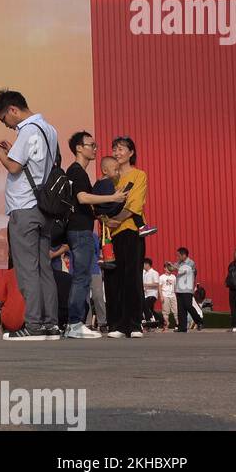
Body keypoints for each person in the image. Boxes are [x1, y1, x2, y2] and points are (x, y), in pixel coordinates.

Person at [0, 89, 60, 341]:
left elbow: (14, 166)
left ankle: (34, 325)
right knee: (44, 269)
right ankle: (51, 323)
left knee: (27, 269)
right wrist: (11, 148)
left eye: (4, 118)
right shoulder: (49, 129)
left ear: (13, 110)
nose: (6, 124)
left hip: (25, 206)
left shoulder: (27, 130)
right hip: (44, 207)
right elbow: (39, 161)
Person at [63, 131, 125, 339]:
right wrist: (112, 197)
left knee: (81, 277)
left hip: (80, 230)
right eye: (92, 145)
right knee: (81, 277)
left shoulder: (78, 172)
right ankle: (74, 323)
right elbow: (82, 198)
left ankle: (75, 323)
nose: (95, 149)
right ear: (79, 148)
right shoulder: (77, 171)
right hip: (80, 232)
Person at [100, 137, 149, 339]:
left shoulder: (139, 175)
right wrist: (105, 219)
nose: (117, 152)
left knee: (132, 277)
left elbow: (134, 204)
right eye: (114, 149)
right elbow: (100, 204)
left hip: (130, 231)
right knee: (113, 280)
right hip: (111, 236)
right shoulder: (109, 179)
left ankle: (134, 323)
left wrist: (116, 221)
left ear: (131, 153)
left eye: (121, 149)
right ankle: (117, 324)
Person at [173, 247, 202, 332]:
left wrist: (174, 267)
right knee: (181, 309)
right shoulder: (179, 262)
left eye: (178, 256)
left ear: (184, 255)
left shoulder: (190, 263)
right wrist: (169, 265)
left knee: (188, 306)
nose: (177, 258)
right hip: (179, 289)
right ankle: (182, 327)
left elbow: (183, 271)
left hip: (187, 288)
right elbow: (172, 269)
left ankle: (199, 321)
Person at [141, 258, 161, 328]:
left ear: (147, 264)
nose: (142, 266)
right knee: (151, 310)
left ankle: (148, 321)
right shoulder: (143, 273)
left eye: (143, 264)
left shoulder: (154, 273)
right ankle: (160, 321)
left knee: (145, 305)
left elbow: (156, 284)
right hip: (145, 294)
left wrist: (145, 285)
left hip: (152, 294)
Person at [159, 262, 178, 331]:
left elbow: (175, 287)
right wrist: (161, 296)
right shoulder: (161, 277)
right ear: (164, 268)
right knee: (165, 311)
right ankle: (166, 324)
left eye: (169, 267)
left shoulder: (173, 277)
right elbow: (160, 287)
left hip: (172, 295)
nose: (168, 269)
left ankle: (177, 324)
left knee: (176, 310)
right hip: (165, 295)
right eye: (167, 267)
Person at [225, 249, 236, 332]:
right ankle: (234, 325)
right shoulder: (231, 265)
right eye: (235, 253)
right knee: (233, 308)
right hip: (232, 289)